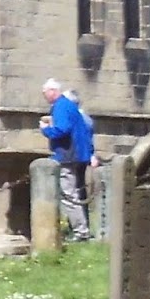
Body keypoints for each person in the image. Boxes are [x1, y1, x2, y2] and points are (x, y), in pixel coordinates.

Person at [40, 78, 94, 242]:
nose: (44, 96)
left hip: (67, 155)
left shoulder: (61, 106)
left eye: (45, 93)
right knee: (75, 193)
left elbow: (62, 129)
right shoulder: (68, 106)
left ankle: (80, 231)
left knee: (68, 195)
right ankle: (79, 228)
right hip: (77, 154)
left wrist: (46, 130)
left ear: (53, 91)